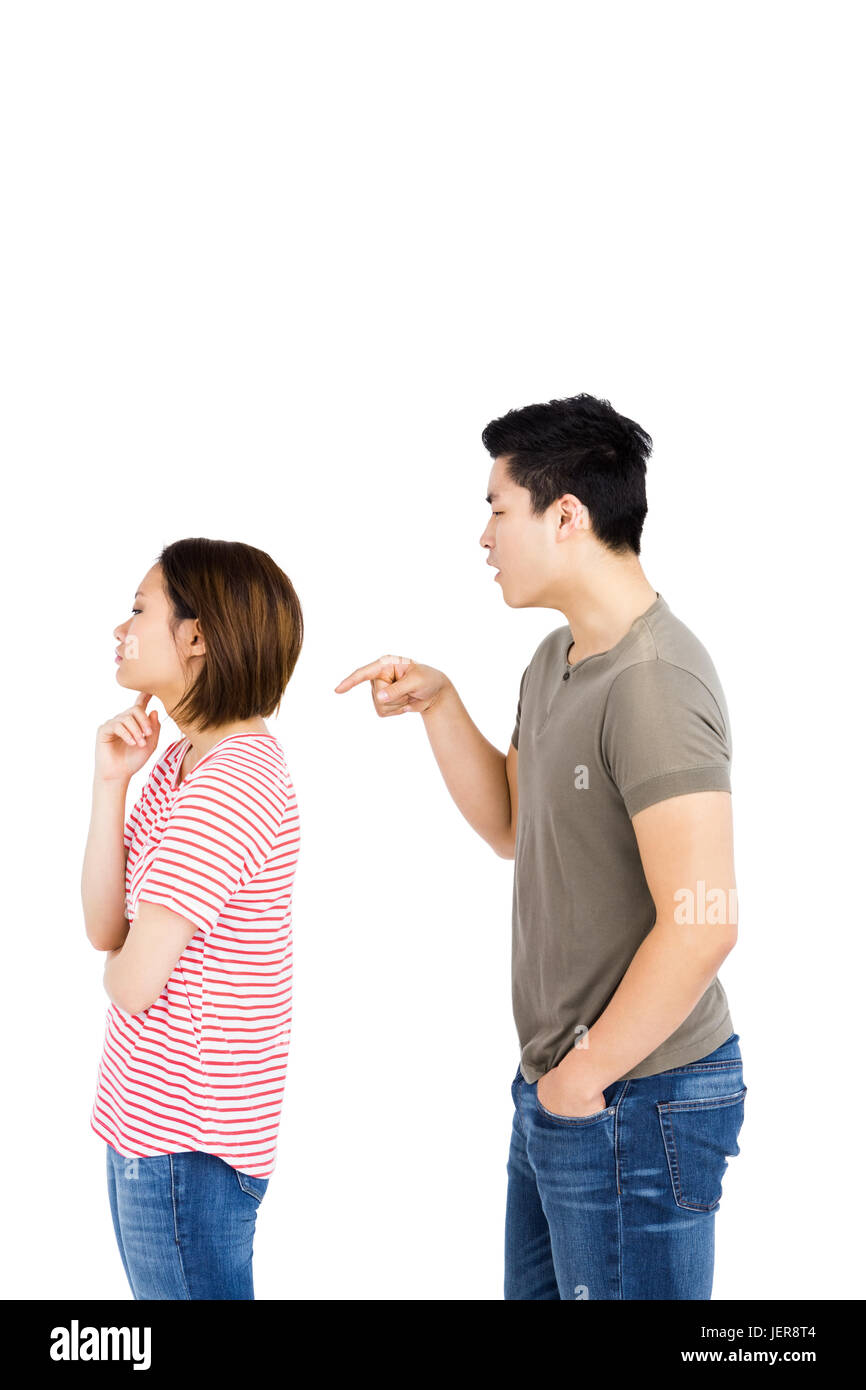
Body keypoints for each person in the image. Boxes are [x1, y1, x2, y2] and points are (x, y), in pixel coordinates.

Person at [335, 392, 746, 1300]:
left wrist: (583, 1080)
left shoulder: (656, 683)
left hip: (638, 1097)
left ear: (567, 516)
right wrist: (441, 705)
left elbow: (705, 920)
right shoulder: (553, 658)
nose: (484, 537)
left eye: (496, 508)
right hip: (566, 1086)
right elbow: (513, 828)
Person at [82, 537, 302, 1300]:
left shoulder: (231, 784)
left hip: (186, 1146)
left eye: (140, 609)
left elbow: (132, 982)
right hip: (144, 1127)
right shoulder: (181, 766)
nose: (122, 628)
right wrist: (111, 782)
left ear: (197, 636)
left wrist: (121, 967)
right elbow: (107, 931)